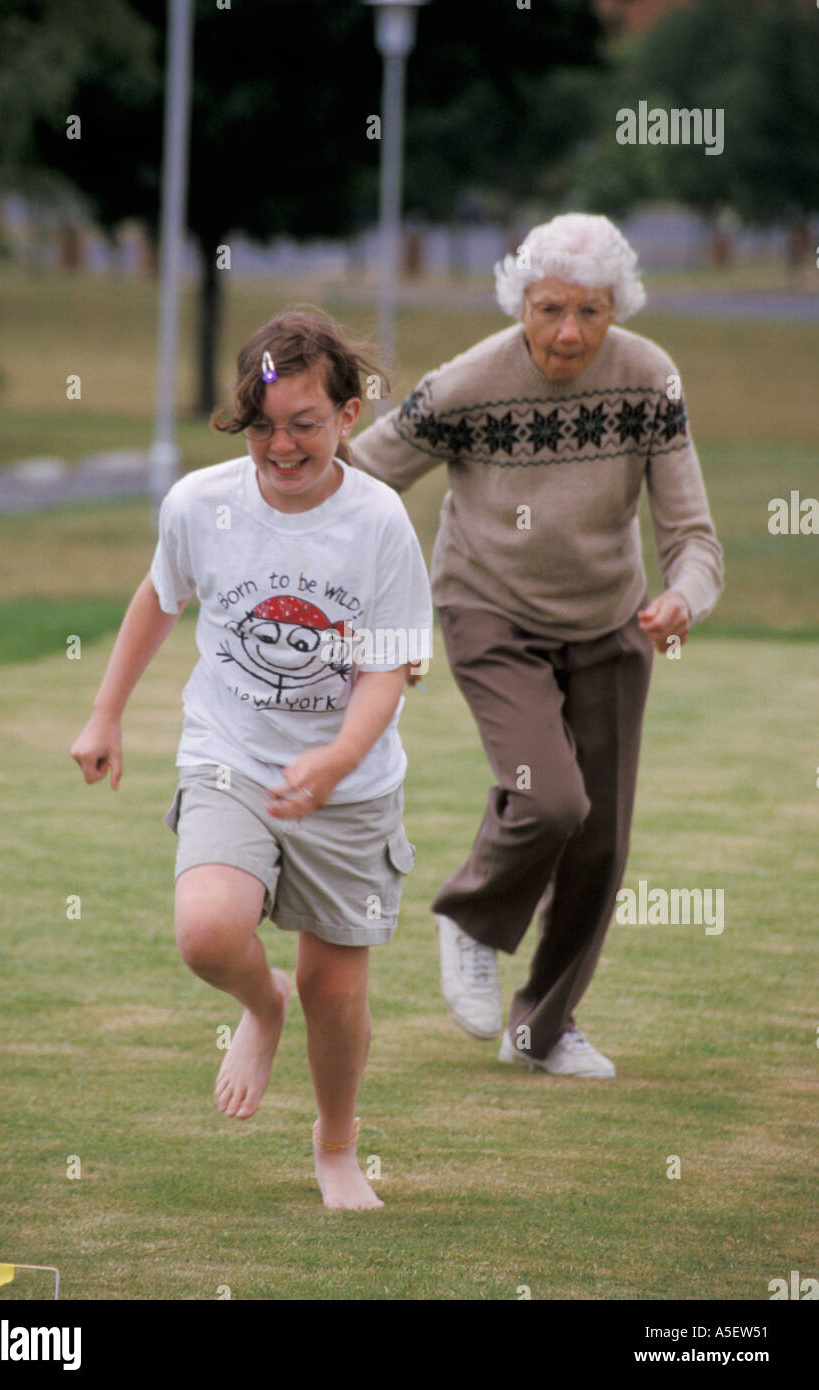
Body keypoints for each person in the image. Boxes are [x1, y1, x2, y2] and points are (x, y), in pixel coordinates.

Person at [70, 310, 432, 1209]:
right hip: (230, 755)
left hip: (350, 786)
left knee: (334, 985)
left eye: (304, 423)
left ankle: (337, 1145)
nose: (281, 445)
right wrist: (105, 713)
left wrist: (340, 757)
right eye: (264, 424)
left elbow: (388, 668)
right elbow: (159, 598)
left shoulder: (378, 521)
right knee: (205, 931)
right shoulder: (200, 504)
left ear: (349, 415)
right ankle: (259, 1004)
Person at [351, 213, 723, 1079]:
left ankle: (543, 1031)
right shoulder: (465, 384)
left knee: (601, 843)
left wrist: (683, 598)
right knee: (552, 800)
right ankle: (471, 919)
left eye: (591, 312)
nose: (569, 332)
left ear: (615, 309)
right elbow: (363, 474)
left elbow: (693, 533)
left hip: (611, 620)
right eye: (551, 308)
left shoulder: (648, 378)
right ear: (521, 300)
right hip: (490, 609)